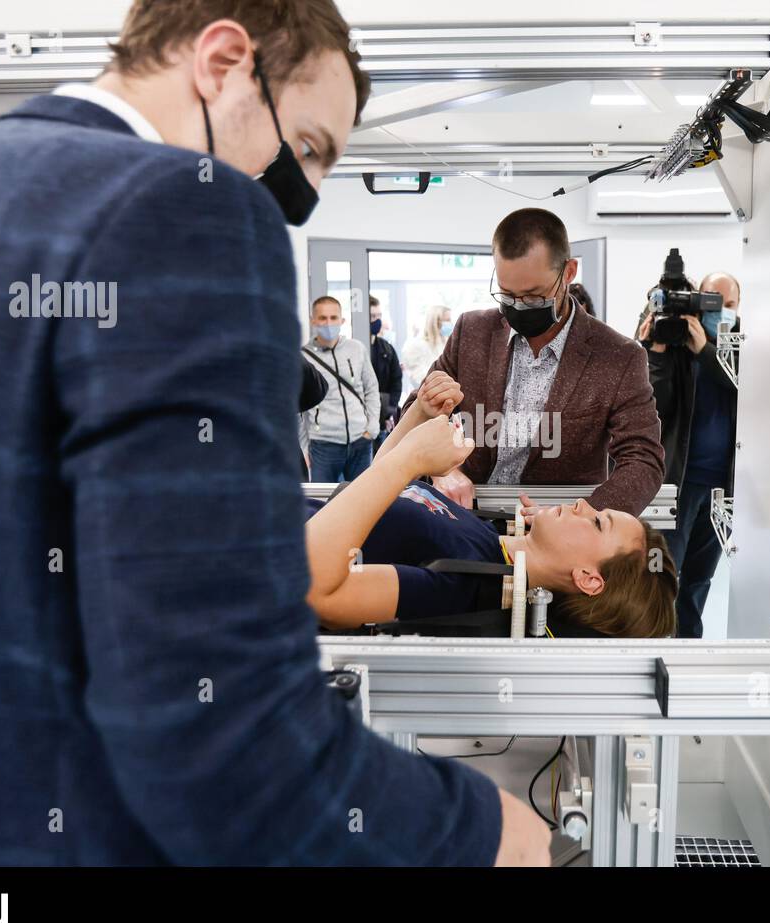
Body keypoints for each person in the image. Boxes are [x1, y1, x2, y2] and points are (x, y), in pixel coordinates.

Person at [0, 0, 547, 867]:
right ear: (223, 62)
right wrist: (474, 831)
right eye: (306, 152)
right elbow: (217, 736)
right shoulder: (184, 211)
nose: (297, 196)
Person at [306, 372, 679, 637]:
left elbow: (313, 588)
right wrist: (419, 416)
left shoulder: (462, 585)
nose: (584, 504)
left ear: (588, 578)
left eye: (598, 523)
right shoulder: (489, 539)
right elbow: (373, 501)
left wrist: (410, 461)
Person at [403, 208, 665, 517]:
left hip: (558, 537)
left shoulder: (618, 356)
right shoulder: (471, 332)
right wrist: (441, 470)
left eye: (534, 296)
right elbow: (416, 412)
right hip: (463, 517)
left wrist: (577, 520)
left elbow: (643, 461)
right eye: (507, 295)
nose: (519, 307)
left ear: (568, 273)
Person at [638, 270, 742, 638]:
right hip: (678, 484)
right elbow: (654, 403)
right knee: (665, 575)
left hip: (722, 490)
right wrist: (657, 351)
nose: (721, 311)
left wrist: (708, 352)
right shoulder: (678, 345)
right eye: (713, 301)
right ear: (697, 300)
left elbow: (743, 387)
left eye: (729, 305)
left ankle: (689, 646)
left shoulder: (741, 350)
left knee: (700, 579)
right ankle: (655, 646)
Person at [303, 294, 380, 481]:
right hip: (323, 445)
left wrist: (372, 427)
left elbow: (371, 388)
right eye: (322, 318)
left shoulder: (357, 348)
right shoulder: (303, 357)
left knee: (364, 501)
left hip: (360, 441)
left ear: (342, 320)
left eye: (333, 318)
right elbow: (298, 410)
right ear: (313, 321)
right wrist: (303, 448)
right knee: (321, 505)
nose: (328, 323)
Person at [368, 294, 402, 454]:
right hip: (360, 424)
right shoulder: (354, 349)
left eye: (379, 316)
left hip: (382, 419)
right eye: (372, 316)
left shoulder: (386, 349)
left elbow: (396, 381)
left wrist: (390, 410)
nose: (377, 320)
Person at [401, 303, 452, 399]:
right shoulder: (417, 345)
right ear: (436, 321)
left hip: (445, 396)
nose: (451, 324)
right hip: (425, 397)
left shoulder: (445, 344)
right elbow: (417, 377)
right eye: (447, 320)